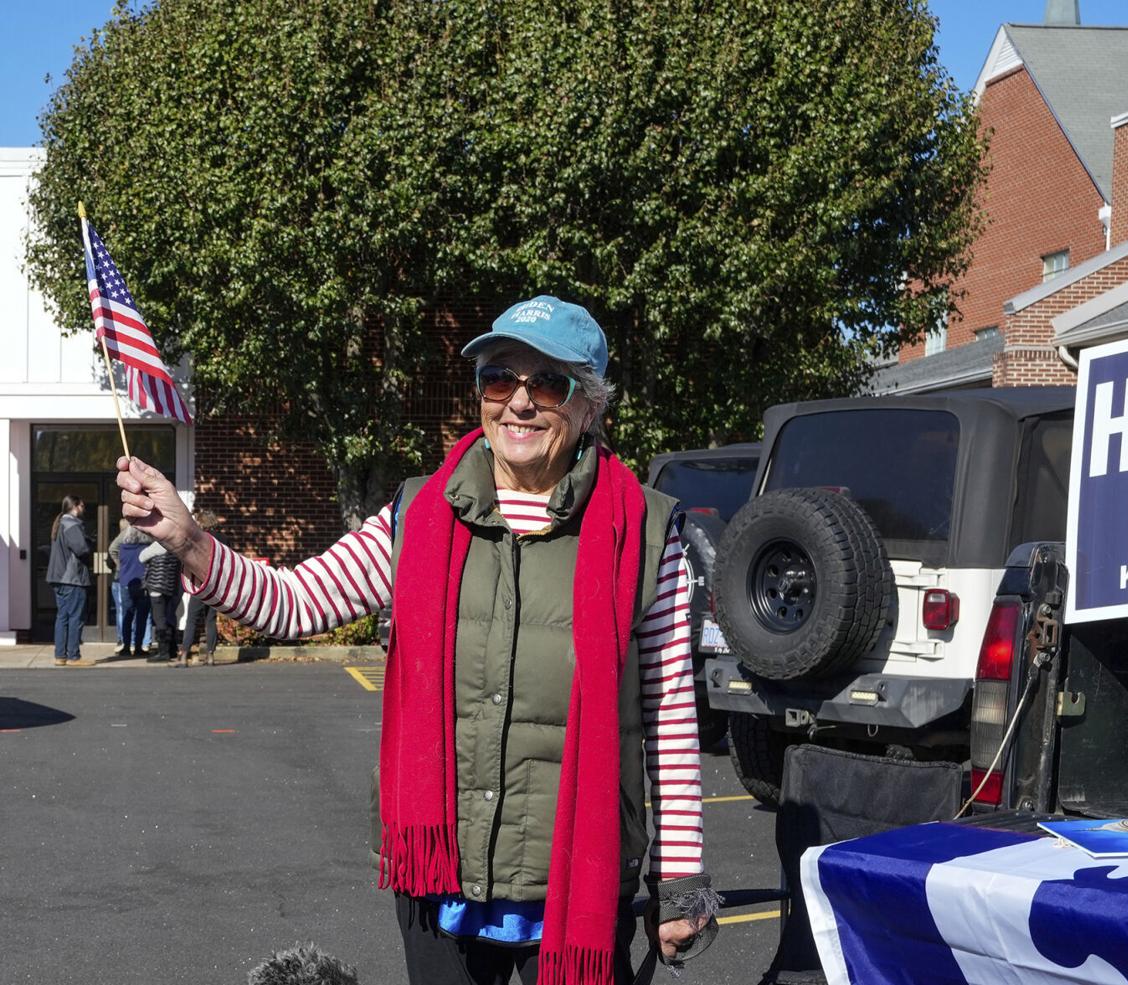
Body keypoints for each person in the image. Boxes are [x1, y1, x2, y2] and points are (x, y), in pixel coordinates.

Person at [117, 296, 717, 985]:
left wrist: (680, 883)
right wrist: (189, 540)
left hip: (576, 888)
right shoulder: (414, 513)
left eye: (548, 382)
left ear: (590, 406)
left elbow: (669, 716)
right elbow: (295, 601)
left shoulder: (644, 531)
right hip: (441, 884)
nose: (519, 402)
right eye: (499, 377)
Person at [46, 495, 93, 667]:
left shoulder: (60, 524)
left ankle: (60, 655)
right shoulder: (72, 525)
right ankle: (74, 656)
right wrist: (89, 542)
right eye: (82, 505)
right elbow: (81, 549)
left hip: (59, 578)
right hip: (72, 578)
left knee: (62, 617)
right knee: (75, 617)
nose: (84, 508)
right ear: (75, 506)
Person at [180, 510, 222, 665]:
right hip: (216, 585)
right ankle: (210, 656)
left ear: (203, 522)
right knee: (210, 620)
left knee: (192, 619)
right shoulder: (224, 539)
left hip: (200, 583)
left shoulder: (200, 539)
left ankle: (184, 656)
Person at [109, 517, 154, 658]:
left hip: (126, 583)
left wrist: (119, 564)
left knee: (127, 616)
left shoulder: (123, 548)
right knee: (142, 616)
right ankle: (139, 646)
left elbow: (112, 549)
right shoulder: (146, 546)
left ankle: (126, 646)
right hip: (143, 583)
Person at [140, 536, 182, 664]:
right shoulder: (177, 547)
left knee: (159, 619)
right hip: (171, 587)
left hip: (157, 587)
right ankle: (172, 648)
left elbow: (141, 557)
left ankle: (163, 652)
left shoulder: (159, 545)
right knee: (169, 616)